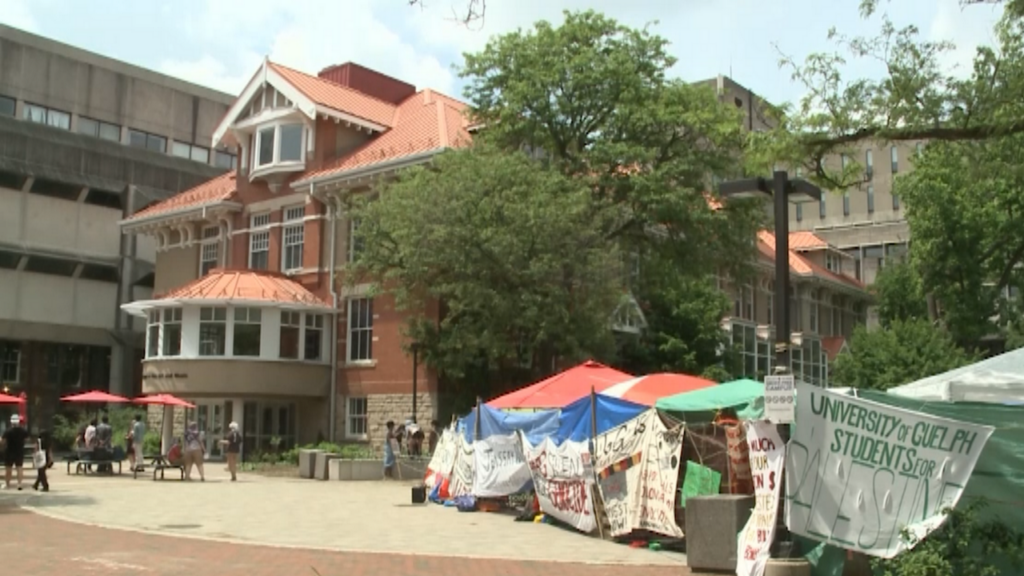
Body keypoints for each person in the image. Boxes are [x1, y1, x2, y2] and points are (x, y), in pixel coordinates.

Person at [1, 415, 28, 490]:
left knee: (8, 469)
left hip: (9, 451)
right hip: (19, 451)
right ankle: (19, 484)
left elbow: (3, 442)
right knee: (19, 468)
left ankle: (7, 484)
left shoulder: (8, 431)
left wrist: (3, 447)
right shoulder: (23, 431)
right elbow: (26, 440)